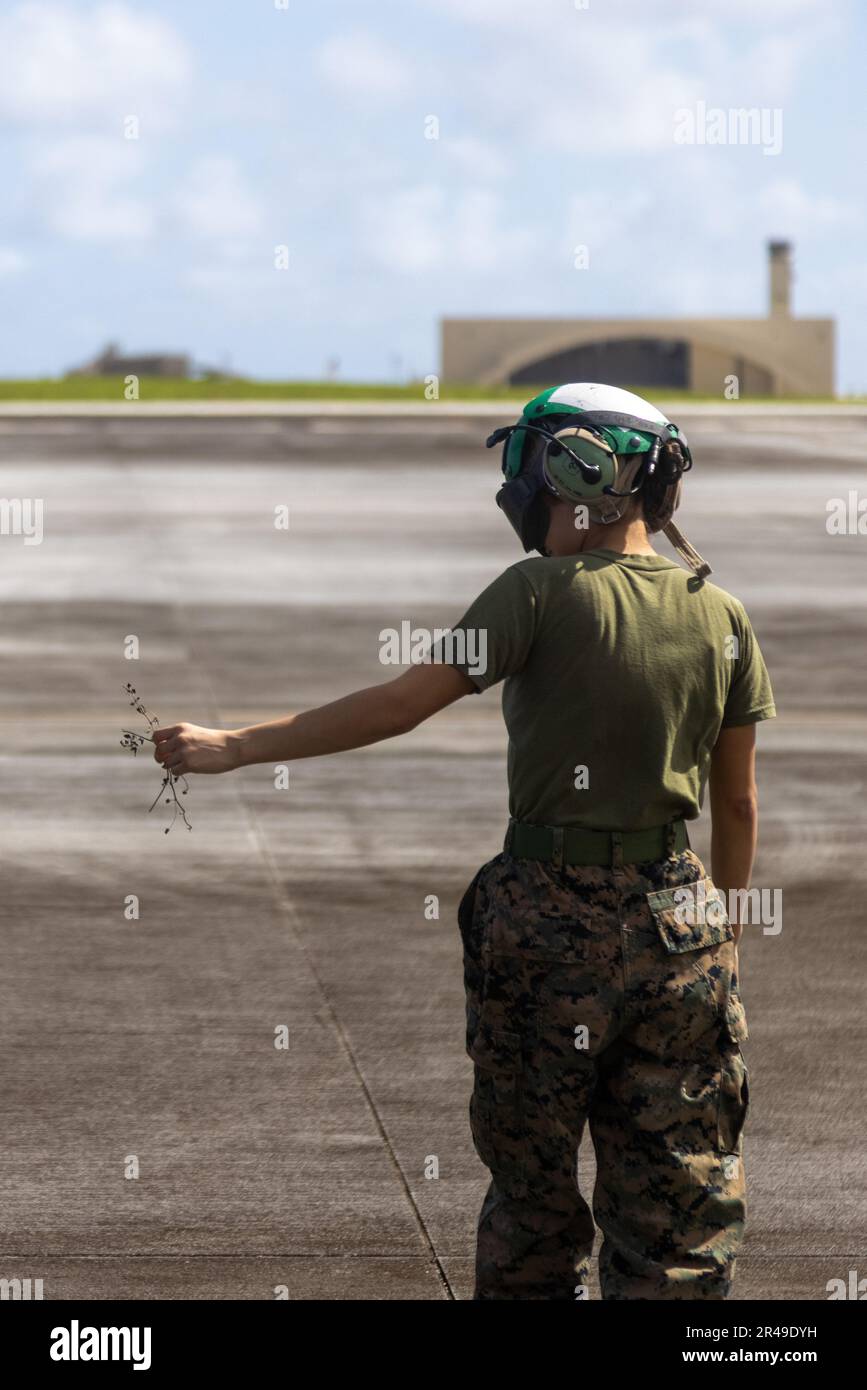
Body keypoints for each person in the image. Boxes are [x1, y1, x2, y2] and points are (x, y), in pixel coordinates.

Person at [153, 382, 775, 1301]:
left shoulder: (534, 592)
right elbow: (737, 807)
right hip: (680, 923)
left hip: (543, 916)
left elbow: (398, 707)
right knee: (678, 1197)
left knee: (532, 1193)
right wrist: (719, 939)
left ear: (581, 474)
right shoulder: (720, 614)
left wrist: (239, 746)